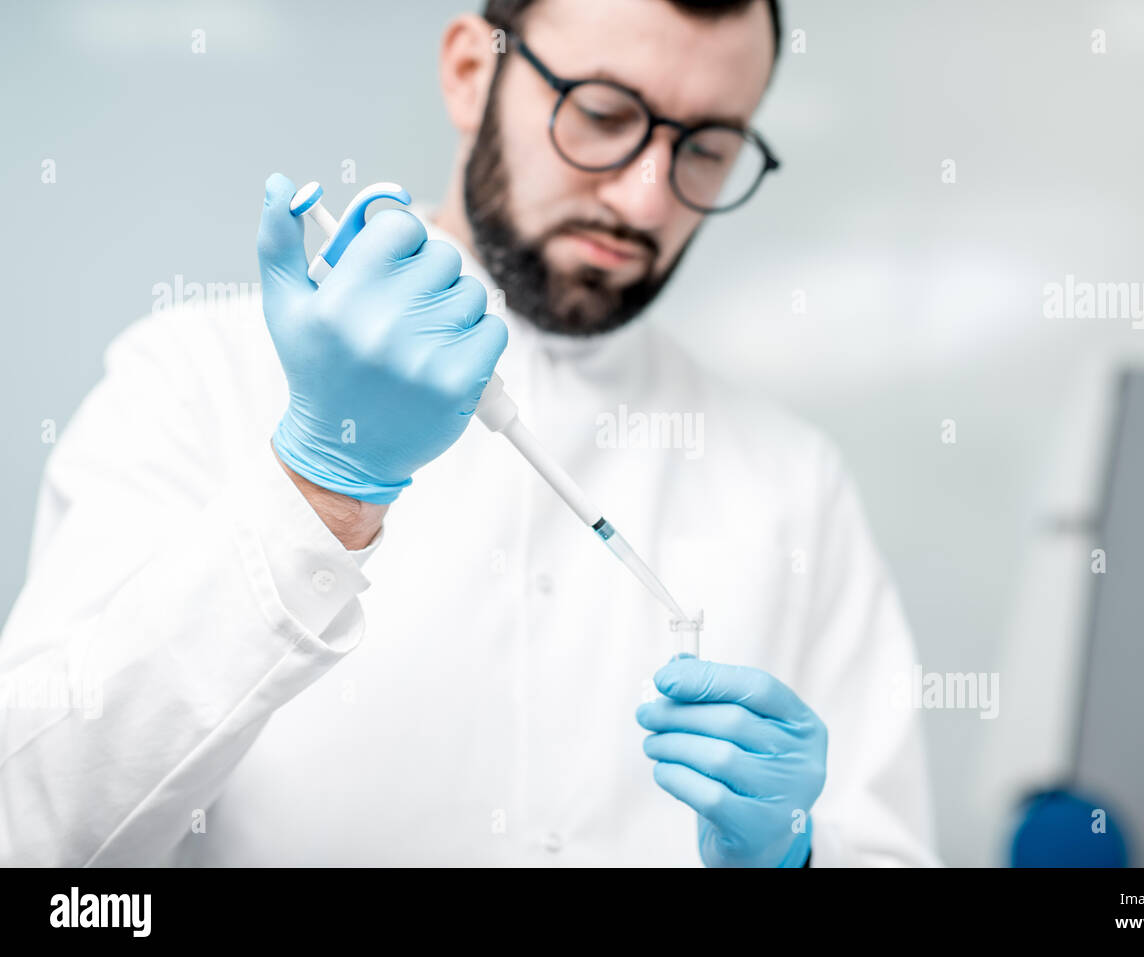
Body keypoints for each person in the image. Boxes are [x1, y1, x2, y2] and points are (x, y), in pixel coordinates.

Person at [0, 0, 938, 866]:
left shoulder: (793, 481)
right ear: (468, 72)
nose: (647, 200)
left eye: (709, 147)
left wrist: (796, 861)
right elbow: (34, 829)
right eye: (605, 113)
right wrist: (318, 485)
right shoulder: (193, 376)